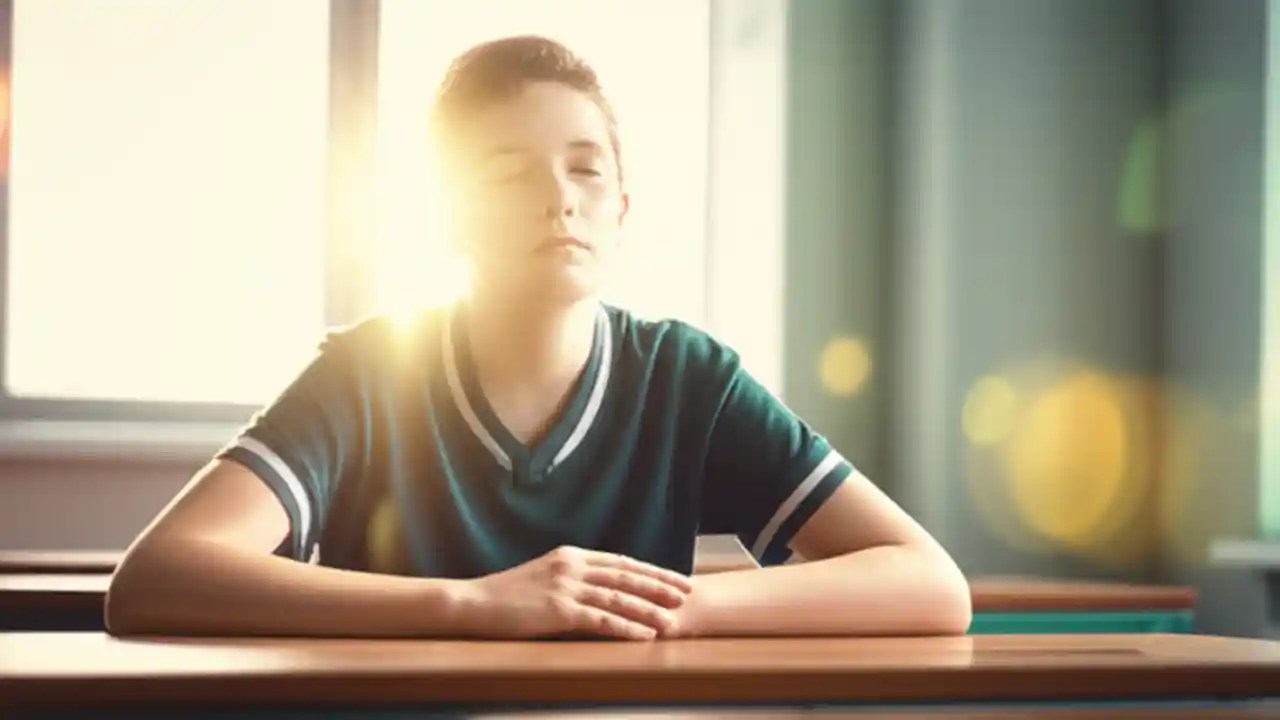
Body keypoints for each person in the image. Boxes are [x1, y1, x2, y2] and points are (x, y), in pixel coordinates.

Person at [105, 35, 970, 640]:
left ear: (621, 210)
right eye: (509, 172)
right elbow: (156, 579)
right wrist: (476, 605)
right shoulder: (370, 374)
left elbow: (930, 583)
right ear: (447, 217)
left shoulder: (686, 378)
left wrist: (674, 607)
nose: (559, 197)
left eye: (586, 168)